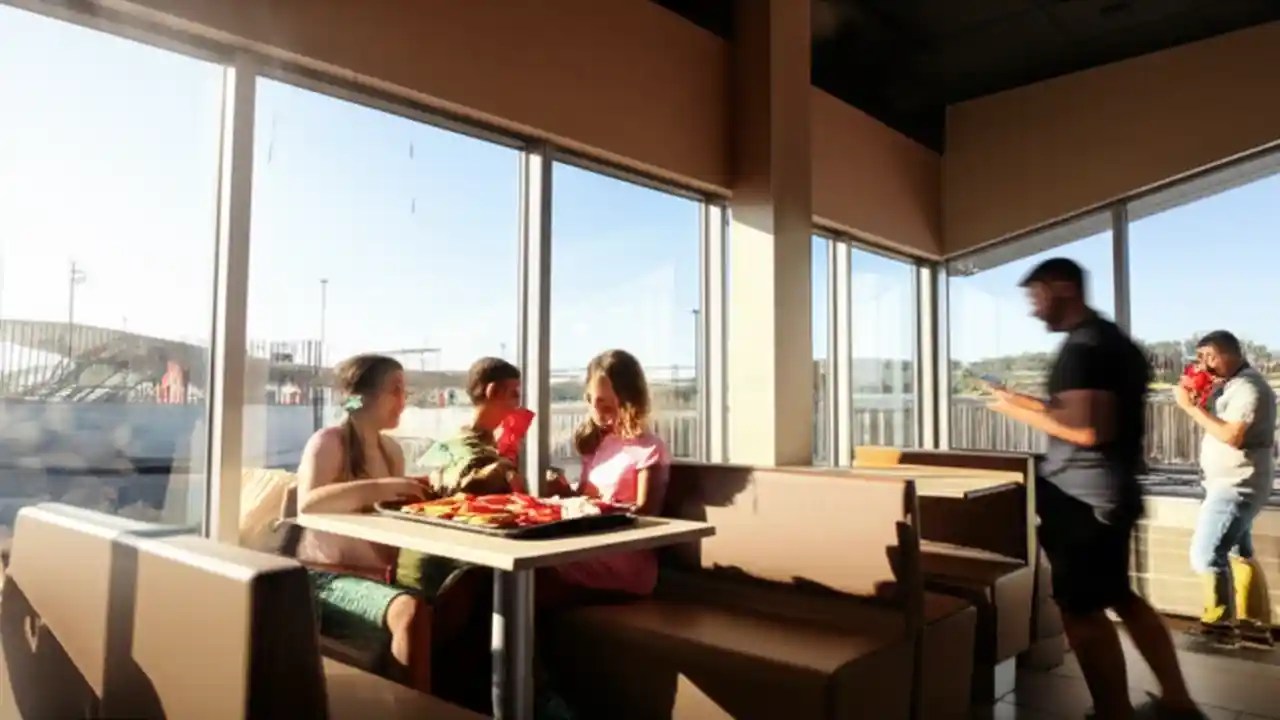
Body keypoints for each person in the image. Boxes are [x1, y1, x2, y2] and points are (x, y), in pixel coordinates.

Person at [986, 258, 1202, 720]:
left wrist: (1017, 414)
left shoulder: (1085, 348)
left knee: (1081, 612)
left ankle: (1113, 712)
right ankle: (1179, 701)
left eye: (1035, 295)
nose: (1032, 308)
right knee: (1121, 596)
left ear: (1062, 288)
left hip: (1085, 504)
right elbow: (1076, 409)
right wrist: (1017, 399)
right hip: (1112, 493)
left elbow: (1086, 429)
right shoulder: (1108, 342)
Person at [294, 353, 433, 692]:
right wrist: (384, 487)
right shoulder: (327, 442)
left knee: (462, 599)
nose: (404, 400)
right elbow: (308, 506)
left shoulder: (392, 452)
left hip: (379, 578)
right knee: (409, 612)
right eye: (396, 389)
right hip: (322, 578)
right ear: (366, 395)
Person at [543, 349, 670, 602]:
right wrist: (564, 491)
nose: (595, 411)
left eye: (604, 403)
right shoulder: (599, 445)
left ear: (627, 400)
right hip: (588, 546)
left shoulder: (650, 448)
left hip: (623, 560)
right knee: (495, 578)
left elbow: (645, 512)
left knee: (530, 580)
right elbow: (585, 498)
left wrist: (593, 507)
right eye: (590, 401)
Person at [1174, 330, 1275, 648]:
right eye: (1200, 356)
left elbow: (1233, 435)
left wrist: (1190, 410)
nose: (1204, 363)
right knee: (1236, 552)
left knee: (1206, 554)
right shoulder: (1233, 386)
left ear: (1231, 353)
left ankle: (1219, 625)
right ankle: (1253, 624)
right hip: (1233, 482)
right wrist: (1198, 394)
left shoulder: (1249, 388)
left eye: (1210, 356)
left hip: (1236, 485)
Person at [396, 356, 524, 593]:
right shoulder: (477, 451)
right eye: (514, 394)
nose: (518, 405)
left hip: (430, 564)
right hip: (446, 572)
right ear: (493, 391)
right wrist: (506, 468)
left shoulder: (451, 442)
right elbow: (468, 490)